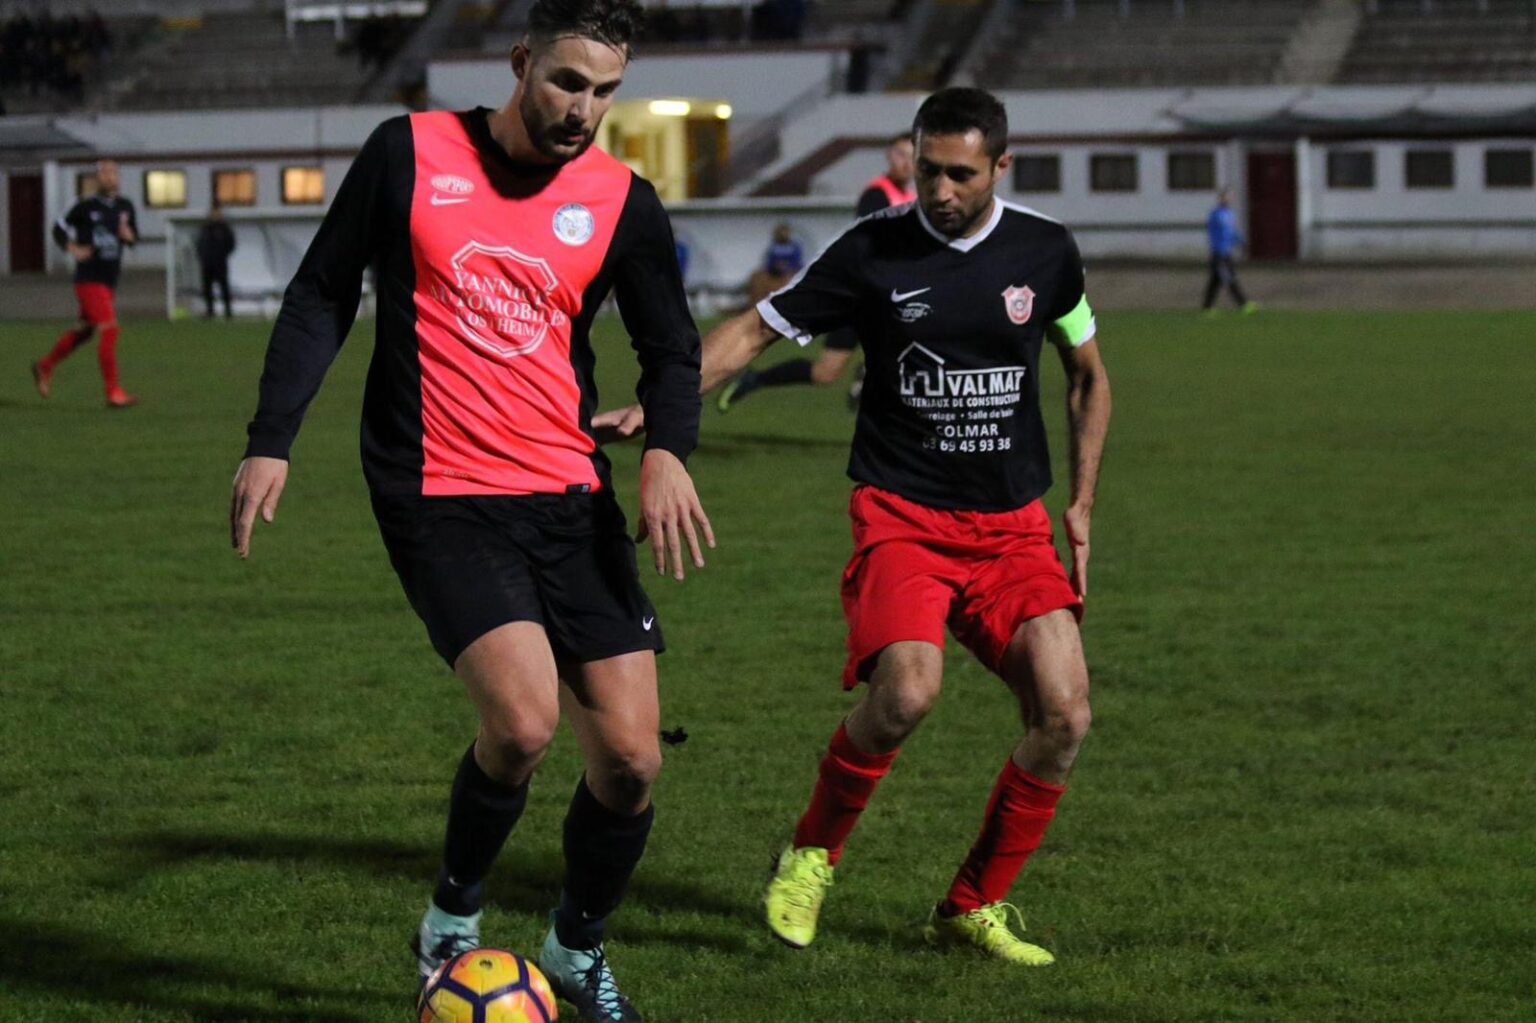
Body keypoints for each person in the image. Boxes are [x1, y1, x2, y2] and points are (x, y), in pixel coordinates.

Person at [227, 3, 711, 1020]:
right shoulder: (409, 152)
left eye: (606, 91)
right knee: (527, 724)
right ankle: (453, 918)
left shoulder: (623, 199)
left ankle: (576, 950)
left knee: (630, 762)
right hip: (440, 494)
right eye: (569, 82)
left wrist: (668, 450)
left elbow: (671, 349)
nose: (585, 109)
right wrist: (272, 438)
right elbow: (321, 292)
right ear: (522, 62)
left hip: (569, 494)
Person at [597, 87, 1111, 966]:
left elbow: (1088, 373)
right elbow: (757, 331)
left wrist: (1081, 502)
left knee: (1065, 715)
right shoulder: (873, 250)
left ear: (1000, 168)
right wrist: (664, 403)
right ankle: (810, 854)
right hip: (903, 516)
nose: (938, 189)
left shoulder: (1045, 252)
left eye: (960, 173)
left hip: (1013, 527)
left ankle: (971, 905)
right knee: (907, 693)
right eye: (926, 167)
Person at [717, 133, 916, 412]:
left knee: (908, 349)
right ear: (889, 156)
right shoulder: (877, 194)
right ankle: (756, 379)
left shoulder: (911, 197)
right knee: (827, 372)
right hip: (864, 296)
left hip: (885, 296)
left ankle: (869, 377)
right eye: (900, 154)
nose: (906, 163)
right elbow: (876, 244)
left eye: (911, 156)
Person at [31, 159, 139, 408]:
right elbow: (58, 228)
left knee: (85, 332)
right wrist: (72, 248)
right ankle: (113, 392)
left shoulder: (126, 206)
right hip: (89, 280)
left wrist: (128, 236)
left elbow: (133, 238)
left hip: (109, 281)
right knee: (110, 330)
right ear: (97, 179)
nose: (109, 177)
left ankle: (44, 366)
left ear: (119, 177)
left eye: (113, 172)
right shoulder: (83, 205)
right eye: (104, 173)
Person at [1202, 186, 1256, 314]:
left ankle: (1207, 307)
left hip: (1226, 252)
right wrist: (1217, 245)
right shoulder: (1216, 214)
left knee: (1215, 281)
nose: (1229, 199)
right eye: (1226, 196)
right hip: (1219, 253)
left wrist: (1241, 242)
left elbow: (1232, 232)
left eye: (1230, 196)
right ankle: (1243, 304)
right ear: (1221, 198)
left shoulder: (1230, 214)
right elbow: (1217, 232)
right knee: (1229, 278)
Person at [746, 222, 804, 306]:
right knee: (757, 277)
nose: (783, 234)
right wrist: (775, 266)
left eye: (785, 232)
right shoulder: (773, 246)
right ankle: (756, 303)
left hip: (790, 271)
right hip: (775, 272)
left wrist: (787, 267)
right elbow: (769, 262)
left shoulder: (794, 246)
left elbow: (797, 262)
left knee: (789, 279)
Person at [196, 206, 237, 319]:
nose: (215, 215)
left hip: (220, 263)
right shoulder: (205, 228)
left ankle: (228, 311)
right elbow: (199, 244)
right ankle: (210, 311)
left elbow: (231, 244)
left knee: (224, 287)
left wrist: (222, 254)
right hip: (207, 263)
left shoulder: (224, 229)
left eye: (217, 213)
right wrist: (203, 256)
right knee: (207, 288)